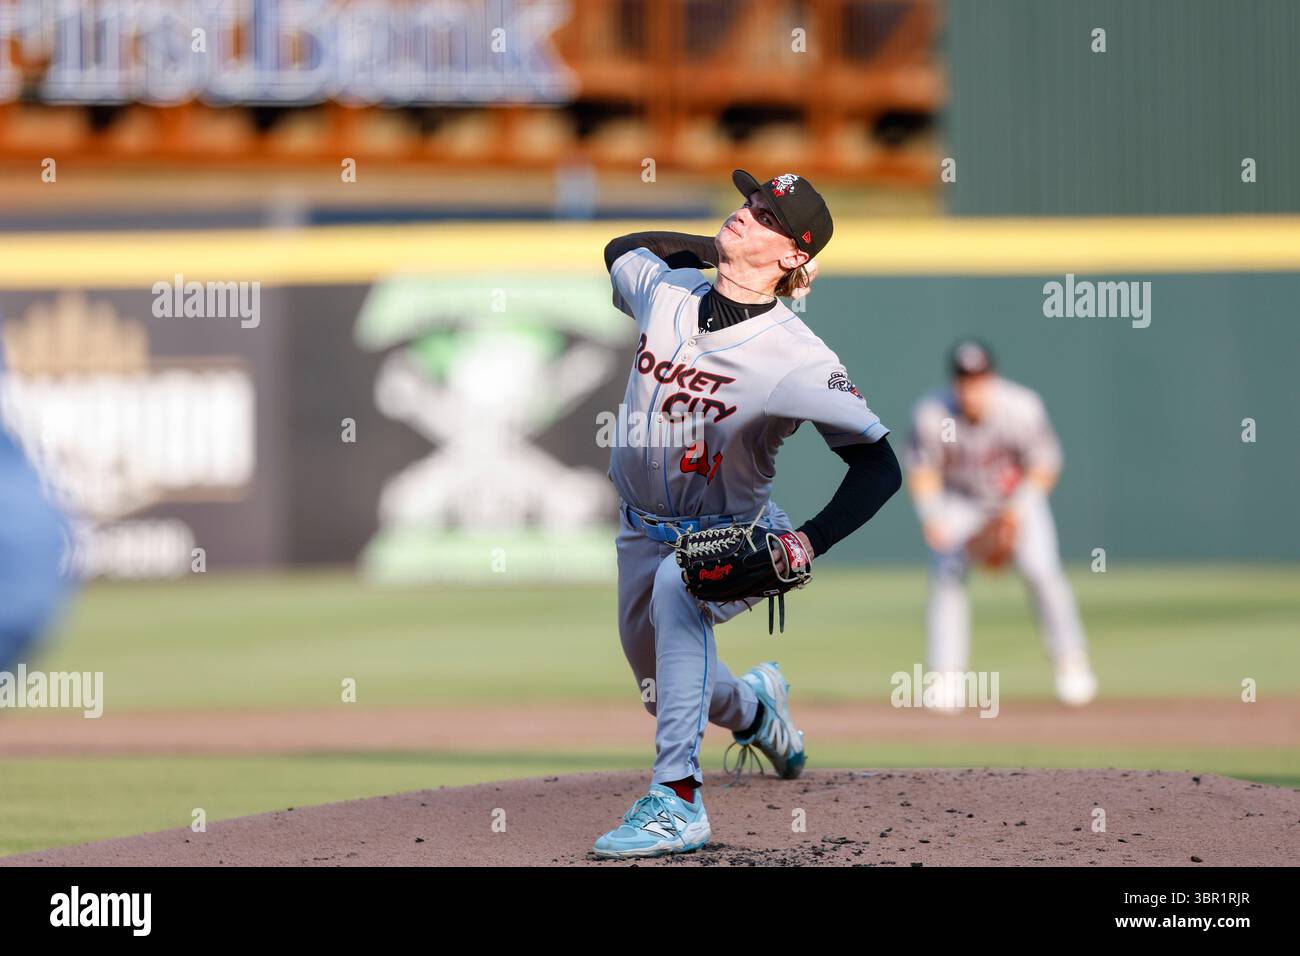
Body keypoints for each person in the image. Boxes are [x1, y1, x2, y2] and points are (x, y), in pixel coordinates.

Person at [593, 170, 901, 859]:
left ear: (796, 255)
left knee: (682, 588)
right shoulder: (667, 291)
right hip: (638, 529)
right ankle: (760, 710)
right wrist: (715, 245)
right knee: (663, 689)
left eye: (768, 217)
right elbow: (621, 248)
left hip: (733, 535)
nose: (746, 213)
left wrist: (807, 543)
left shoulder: (797, 358)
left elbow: (881, 465)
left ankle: (676, 801)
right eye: (750, 202)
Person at [905, 340, 1097, 710]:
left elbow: (1044, 465)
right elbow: (923, 470)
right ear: (955, 381)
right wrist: (931, 515)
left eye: (978, 378)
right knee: (947, 575)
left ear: (991, 378)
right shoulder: (932, 413)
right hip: (961, 503)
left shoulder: (1021, 407)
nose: (971, 387)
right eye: (964, 379)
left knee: (1042, 572)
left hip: (1016, 500)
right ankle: (946, 678)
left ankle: (1072, 663)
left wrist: (1016, 512)